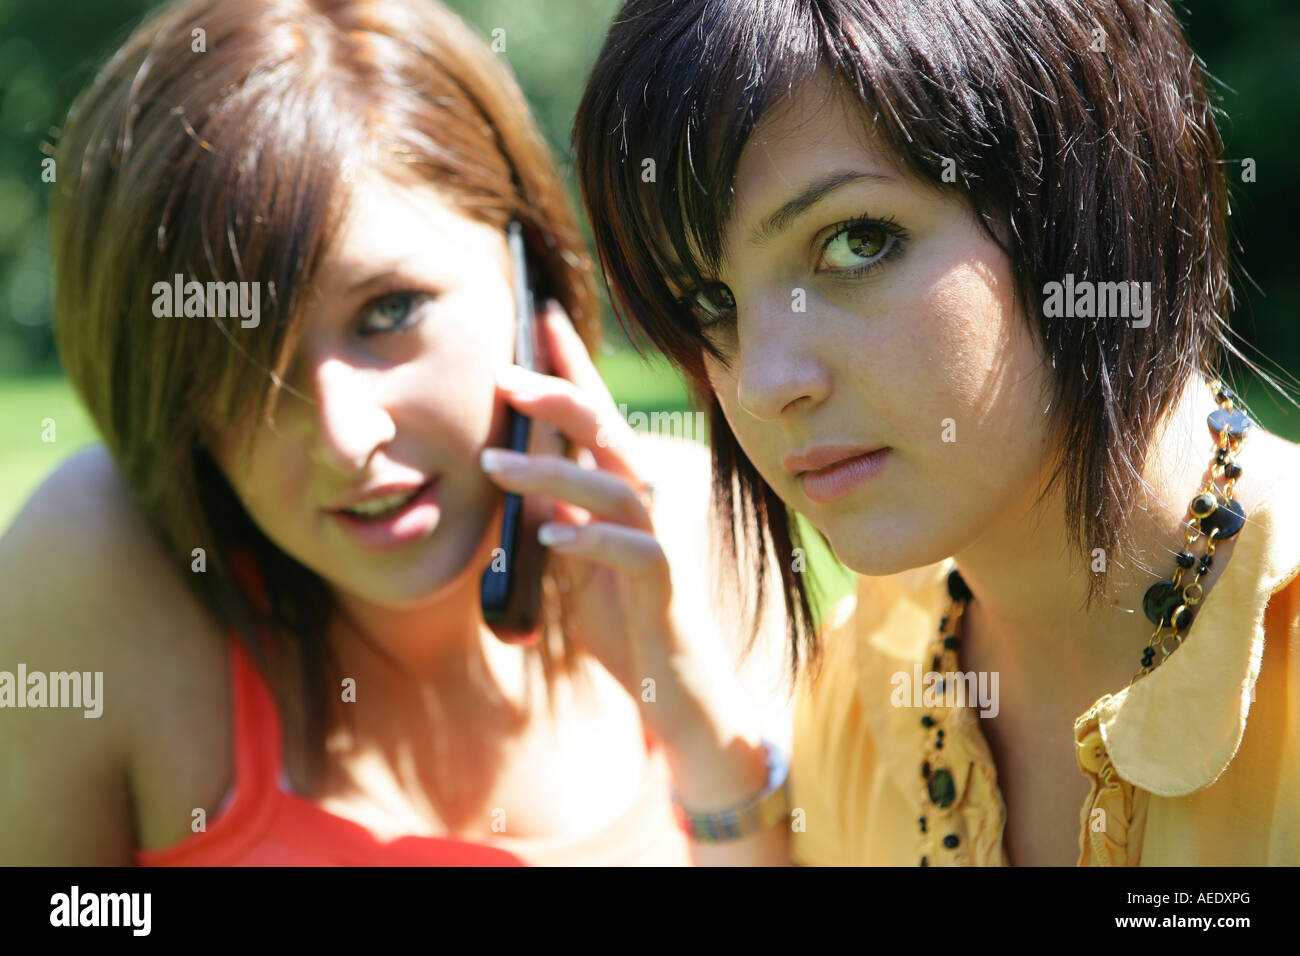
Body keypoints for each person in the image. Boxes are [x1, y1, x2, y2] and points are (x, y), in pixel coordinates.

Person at [0, 0, 793, 865]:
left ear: (525, 270)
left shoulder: (697, 531)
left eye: (389, 310)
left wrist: (708, 747)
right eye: (242, 356)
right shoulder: (96, 566)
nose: (345, 437)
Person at [573, 0, 1300, 864]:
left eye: (856, 241)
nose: (764, 384)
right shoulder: (867, 682)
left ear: (1089, 194)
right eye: (709, 301)